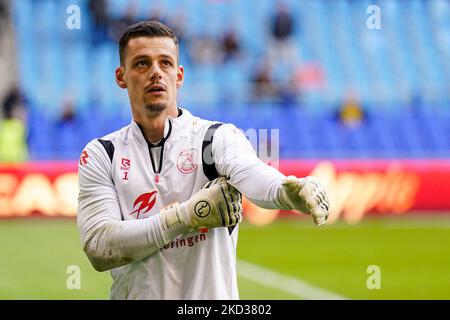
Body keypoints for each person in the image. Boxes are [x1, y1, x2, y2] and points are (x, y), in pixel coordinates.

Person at [77, 21, 330, 300]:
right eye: (141, 64)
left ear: (179, 75)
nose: (155, 73)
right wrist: (185, 217)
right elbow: (100, 248)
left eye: (165, 63)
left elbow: (253, 175)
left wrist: (287, 193)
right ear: (121, 76)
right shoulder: (103, 154)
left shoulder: (214, 138)